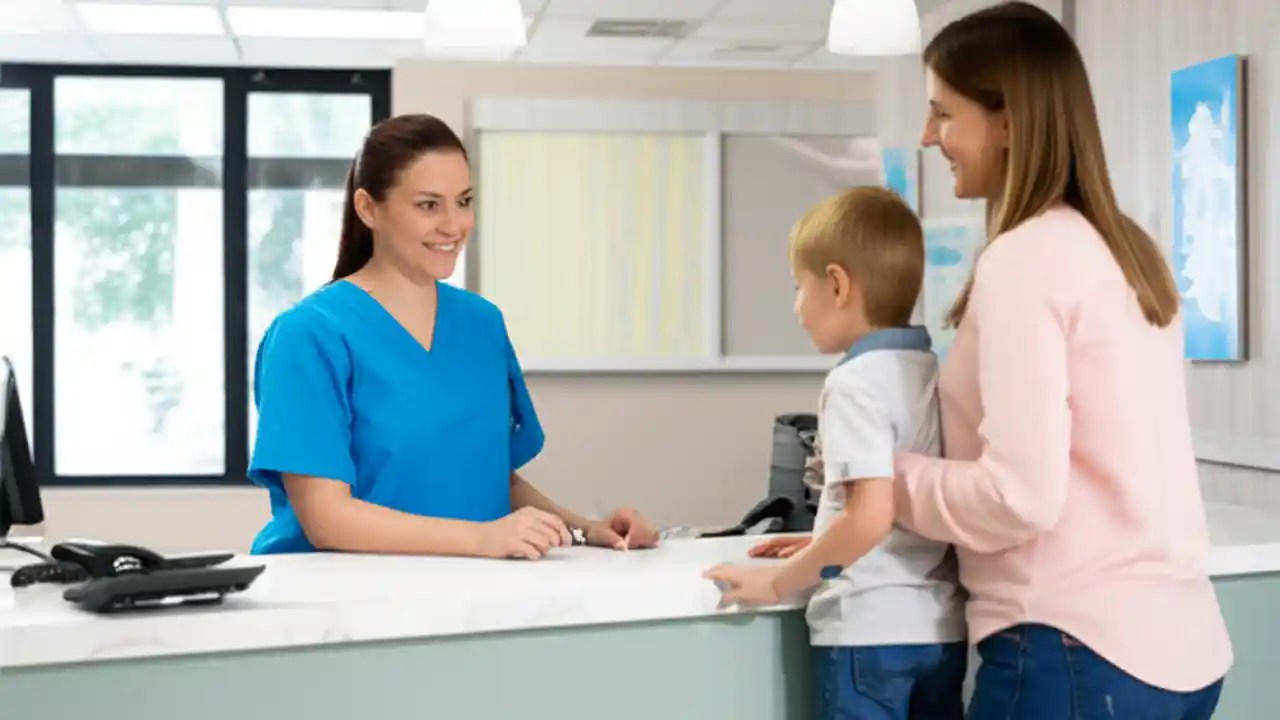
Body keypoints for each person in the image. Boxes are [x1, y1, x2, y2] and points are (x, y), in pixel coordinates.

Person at [894, 3, 1232, 718]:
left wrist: (884, 478)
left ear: (1009, 121)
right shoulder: (1128, 251)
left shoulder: (1024, 259)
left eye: (944, 114)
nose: (929, 137)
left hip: (1075, 651)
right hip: (1183, 653)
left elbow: (1020, 497)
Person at [247, 113, 659, 559]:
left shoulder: (482, 323)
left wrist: (589, 530)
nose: (453, 225)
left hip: (470, 594)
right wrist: (482, 539)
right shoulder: (308, 335)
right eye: (428, 205)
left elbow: (491, 479)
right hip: (344, 605)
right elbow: (326, 517)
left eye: (464, 201)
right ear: (368, 209)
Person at [705, 187, 967, 719]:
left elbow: (871, 516)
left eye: (798, 287)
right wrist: (821, 536)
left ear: (837, 284)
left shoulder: (852, 383)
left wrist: (781, 581)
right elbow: (896, 503)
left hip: (867, 633)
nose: (797, 306)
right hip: (938, 632)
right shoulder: (928, 371)